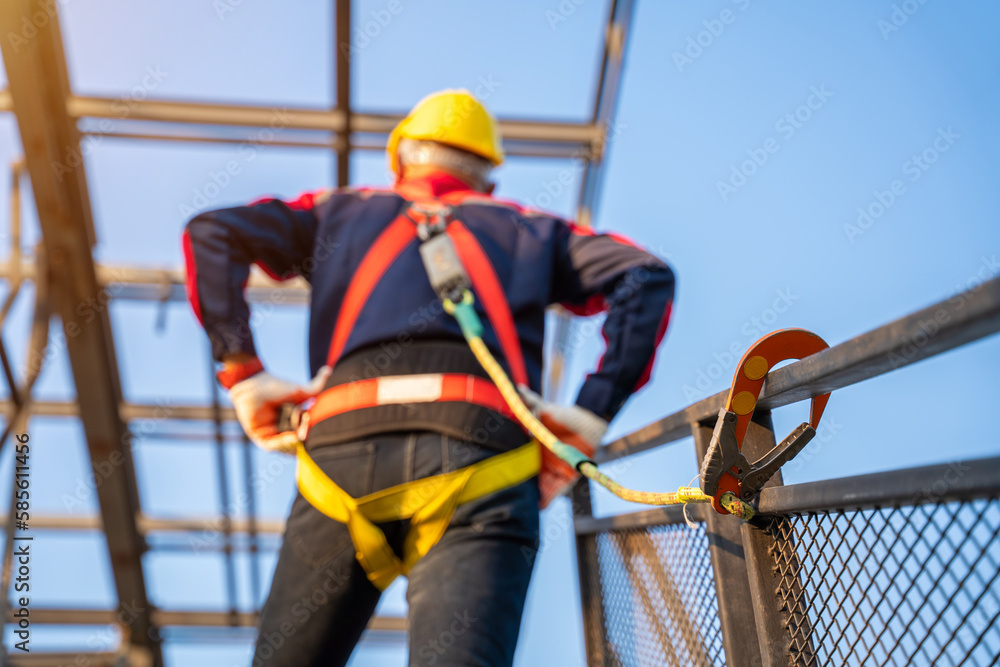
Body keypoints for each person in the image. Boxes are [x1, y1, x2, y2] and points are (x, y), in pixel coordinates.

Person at [182, 89, 675, 667]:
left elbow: (210, 232)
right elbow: (645, 276)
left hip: (341, 451)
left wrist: (243, 371)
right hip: (481, 454)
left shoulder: (336, 211)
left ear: (402, 161)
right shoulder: (534, 230)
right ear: (488, 176)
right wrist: (592, 410)